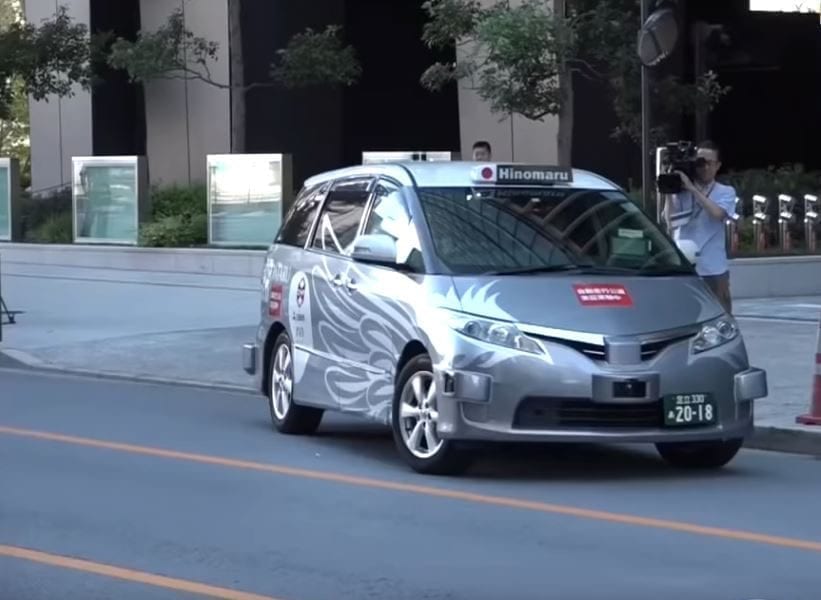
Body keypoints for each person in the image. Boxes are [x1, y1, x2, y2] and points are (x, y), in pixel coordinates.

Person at [663, 140, 737, 314]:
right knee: (683, 315)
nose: (704, 168)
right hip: (685, 266)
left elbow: (718, 214)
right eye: (700, 162)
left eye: (709, 163)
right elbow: (669, 221)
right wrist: (668, 192)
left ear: (718, 166)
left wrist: (693, 189)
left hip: (713, 268)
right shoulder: (681, 192)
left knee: (721, 317)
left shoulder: (725, 191)